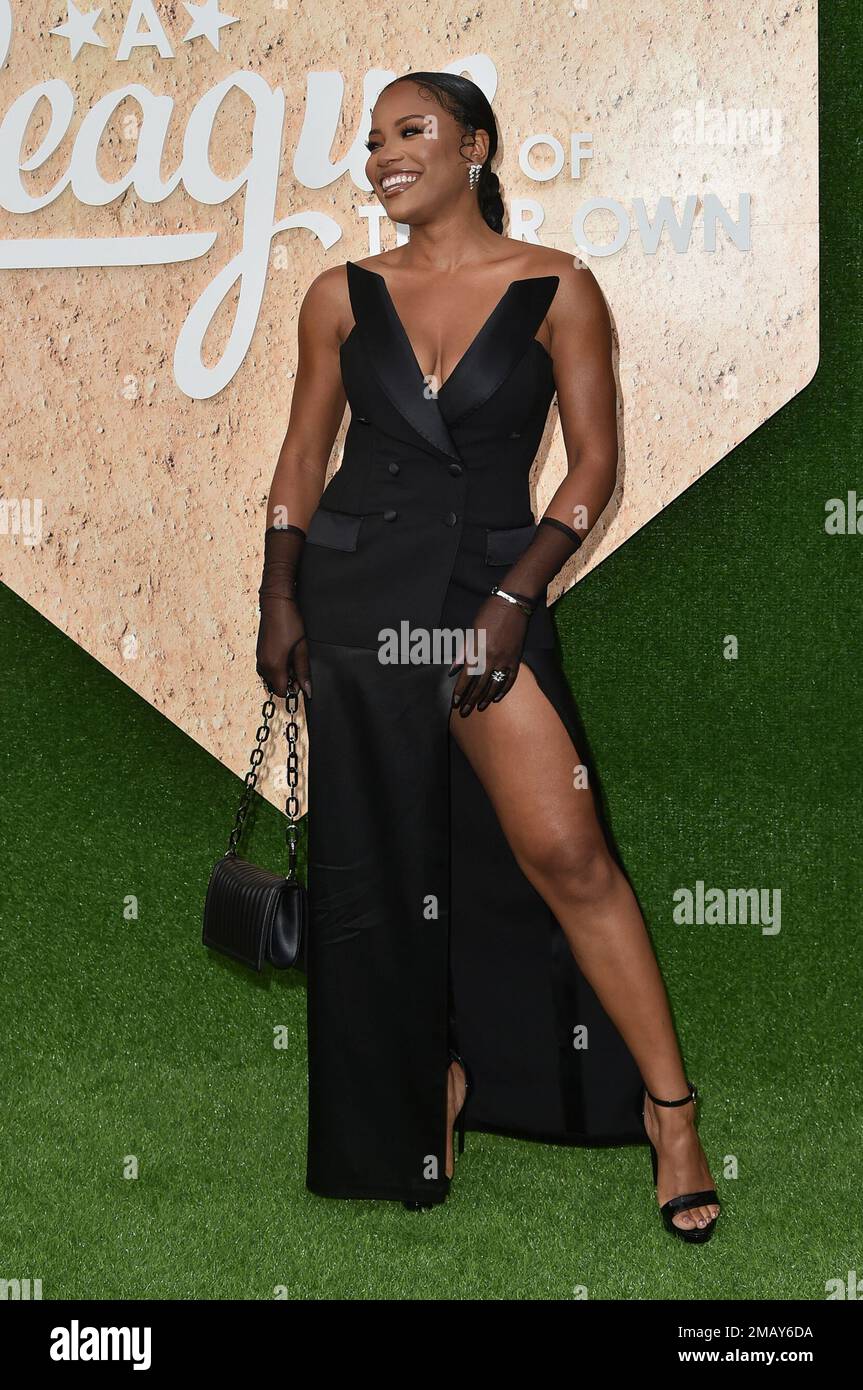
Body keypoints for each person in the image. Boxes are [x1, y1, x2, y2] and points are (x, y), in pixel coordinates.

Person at [256, 71, 721, 1242]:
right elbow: (303, 455)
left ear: (474, 144)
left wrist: (518, 593)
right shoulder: (337, 296)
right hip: (358, 601)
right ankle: (428, 1093)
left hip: (484, 594)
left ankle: (671, 1116)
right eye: (372, 143)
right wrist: (276, 593)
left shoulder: (557, 285)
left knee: (565, 850)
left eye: (410, 132)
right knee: (385, 864)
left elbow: (593, 464)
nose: (383, 157)